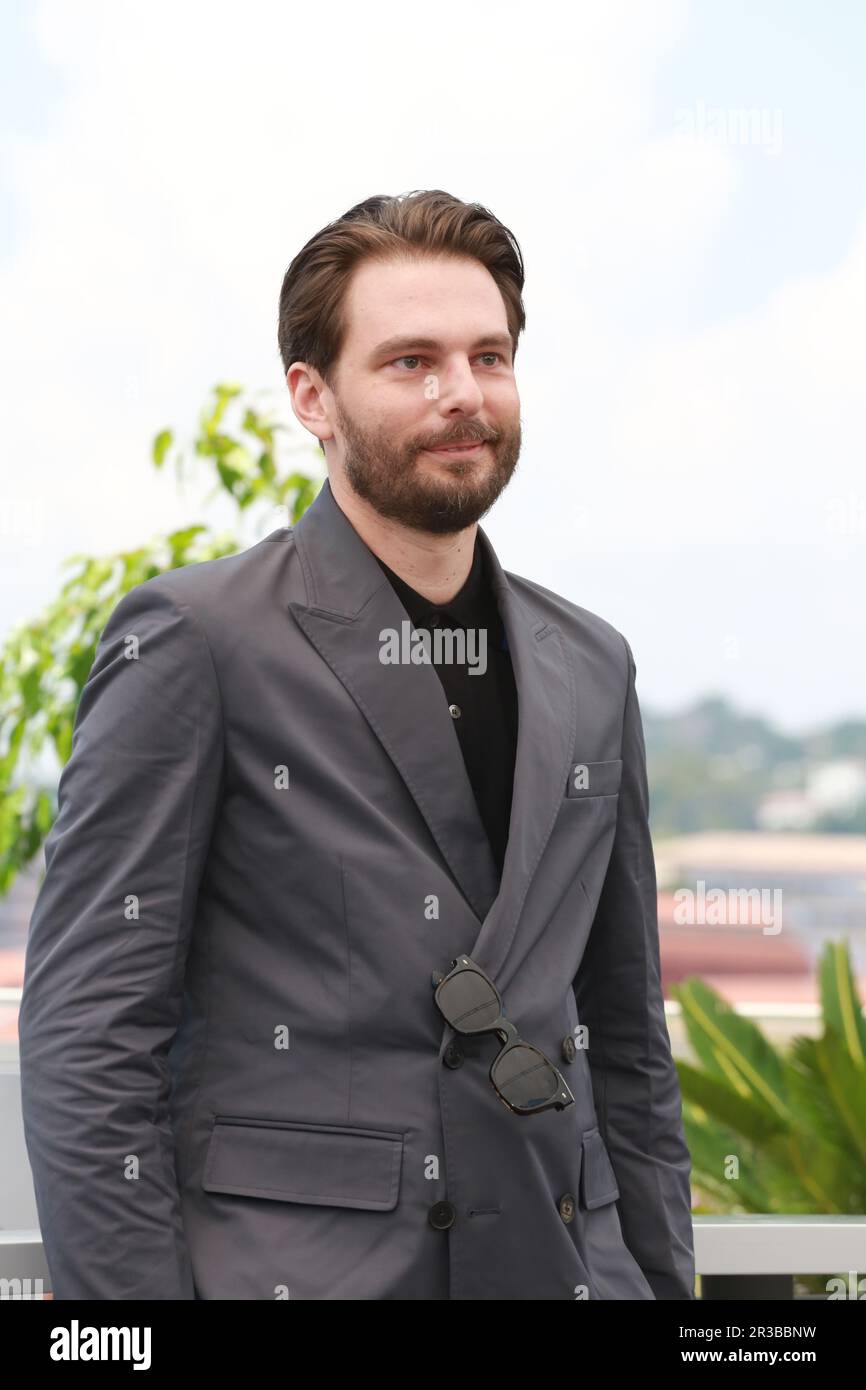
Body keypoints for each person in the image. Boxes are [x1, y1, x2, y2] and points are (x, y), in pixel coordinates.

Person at [18, 189, 695, 1300]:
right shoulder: (193, 641)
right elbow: (89, 1033)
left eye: (488, 356)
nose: (460, 395)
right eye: (410, 362)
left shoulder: (592, 659)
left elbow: (625, 1034)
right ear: (311, 396)